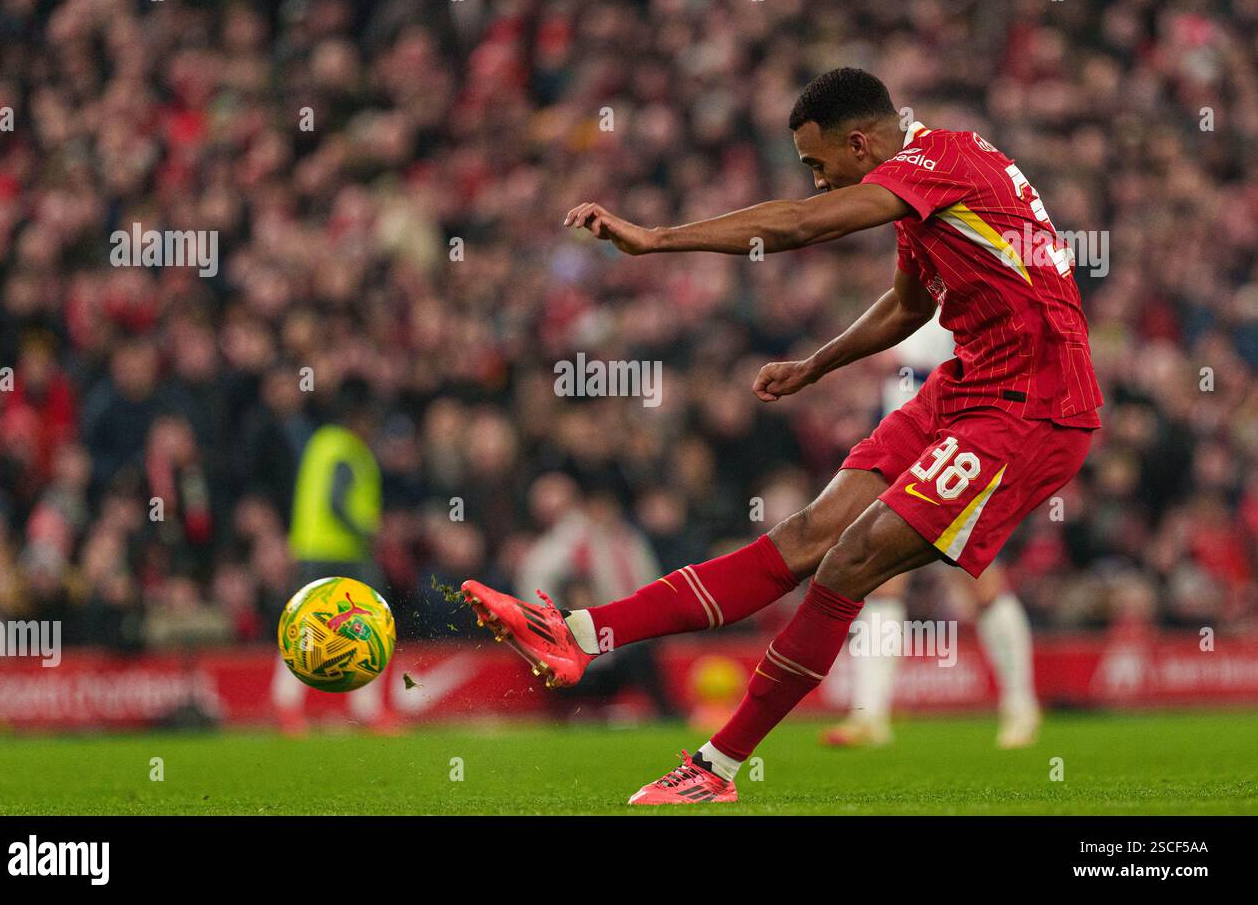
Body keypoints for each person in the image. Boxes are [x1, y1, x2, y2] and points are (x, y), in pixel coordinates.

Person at [461, 67, 1101, 803]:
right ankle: (576, 635)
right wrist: (816, 365)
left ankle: (716, 767)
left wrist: (657, 239)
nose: (818, 181)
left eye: (817, 163)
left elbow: (797, 225)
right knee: (804, 537)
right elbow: (906, 308)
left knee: (850, 563)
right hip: (965, 385)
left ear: (859, 143)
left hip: (1033, 403)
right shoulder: (930, 183)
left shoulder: (940, 163)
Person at [823, 314, 1041, 750]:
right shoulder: (920, 291)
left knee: (974, 578)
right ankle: (870, 715)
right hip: (904, 450)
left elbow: (946, 374)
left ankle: (1021, 705)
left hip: (948, 450)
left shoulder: (952, 301)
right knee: (882, 578)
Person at [271, 375, 398, 735]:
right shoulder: (347, 449)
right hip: (343, 552)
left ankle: (286, 706)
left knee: (301, 627)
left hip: (311, 548)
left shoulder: (321, 443)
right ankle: (367, 708)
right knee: (374, 623)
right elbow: (337, 502)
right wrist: (372, 531)